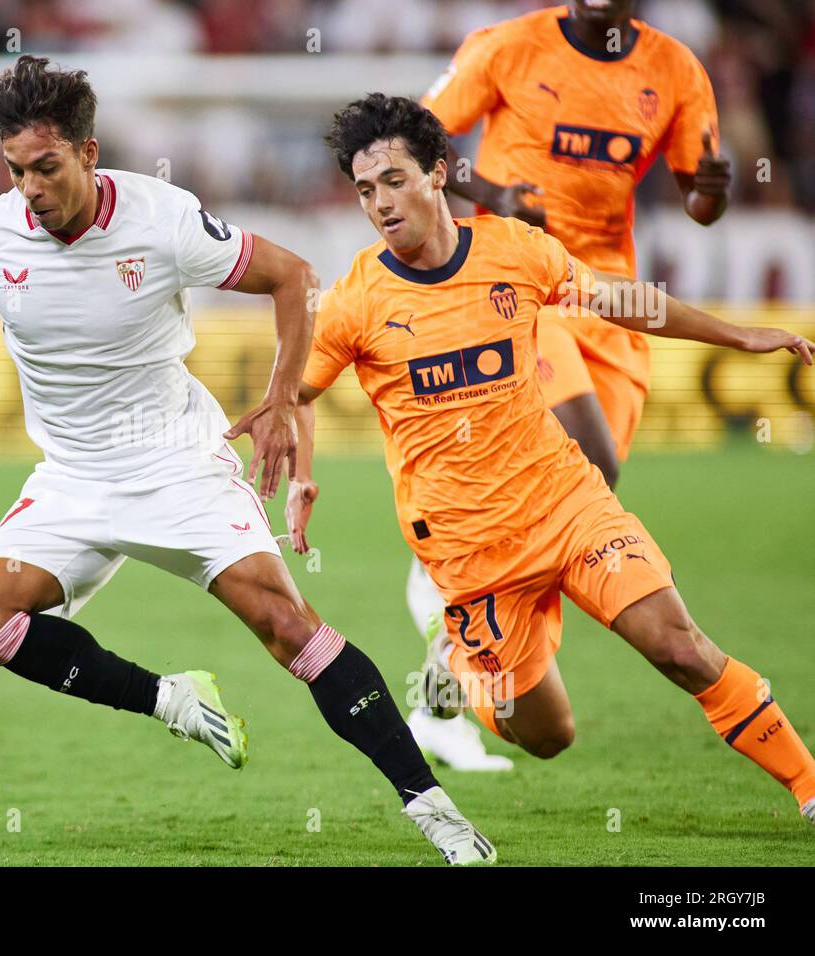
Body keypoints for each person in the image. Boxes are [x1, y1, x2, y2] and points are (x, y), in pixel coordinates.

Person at [0, 56, 496, 864]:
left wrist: (284, 400)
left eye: (46, 167)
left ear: (88, 152)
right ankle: (169, 700)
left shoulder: (161, 219)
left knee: (290, 630)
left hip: (177, 462)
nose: (31, 189)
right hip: (73, 476)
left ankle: (435, 813)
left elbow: (295, 278)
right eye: (15, 171)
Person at [286, 93, 815, 826]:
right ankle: (462, 677)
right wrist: (302, 472)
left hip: (566, 504)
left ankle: (808, 786)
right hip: (471, 549)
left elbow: (622, 301)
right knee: (548, 736)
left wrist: (736, 334)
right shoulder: (355, 301)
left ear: (439, 173)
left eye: (395, 179)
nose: (380, 201)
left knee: (680, 647)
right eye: (365, 189)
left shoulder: (512, 248)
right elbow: (297, 394)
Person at [406, 0, 732, 766]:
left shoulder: (676, 69)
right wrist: (494, 199)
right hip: (511, 279)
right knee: (594, 462)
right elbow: (419, 140)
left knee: (572, 497)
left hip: (605, 296)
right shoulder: (508, 46)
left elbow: (701, 202)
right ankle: (459, 594)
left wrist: (714, 189)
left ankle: (452, 664)